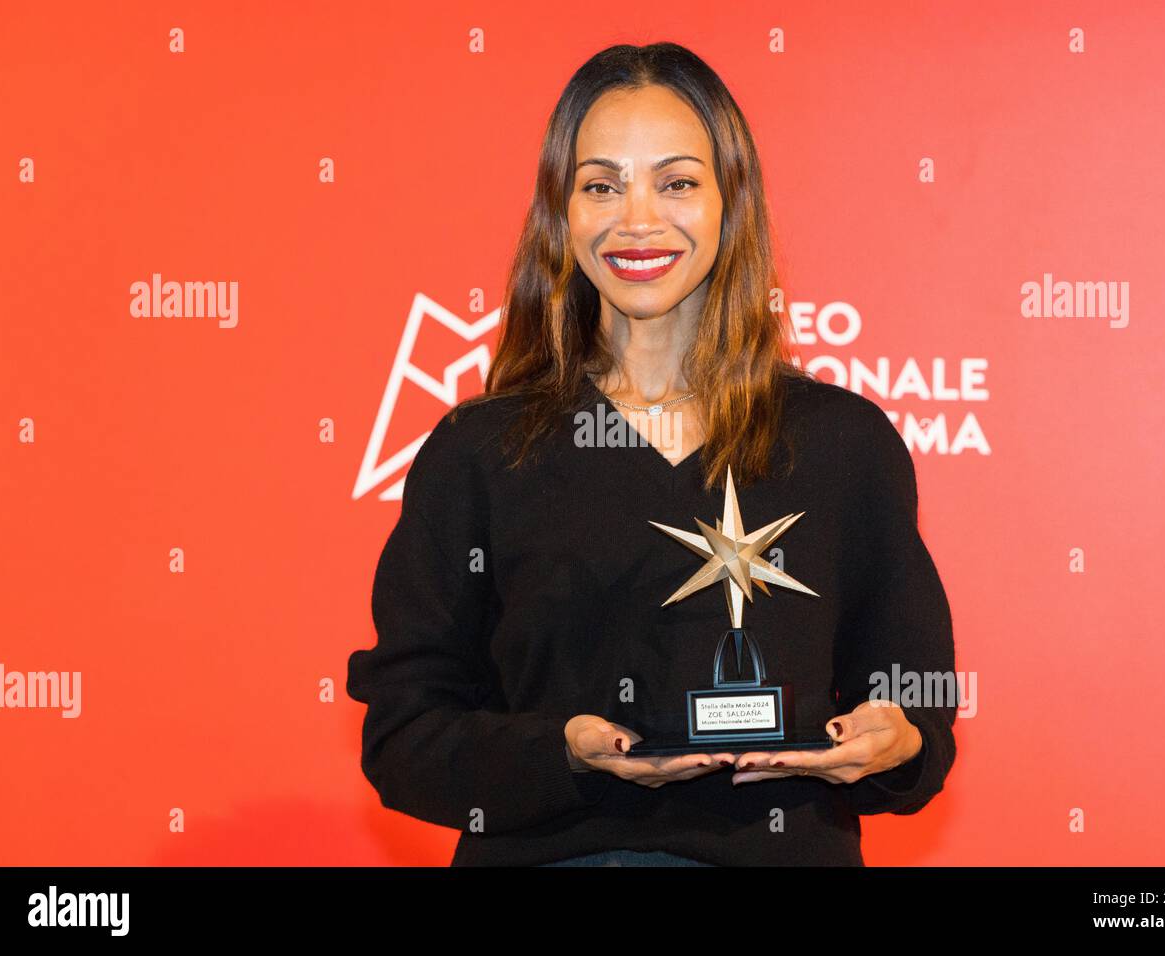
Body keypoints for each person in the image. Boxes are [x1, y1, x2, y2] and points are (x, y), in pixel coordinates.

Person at [346, 41, 957, 866]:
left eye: (676, 183)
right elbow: (404, 735)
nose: (637, 219)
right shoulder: (477, 452)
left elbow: (920, 718)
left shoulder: (846, 445)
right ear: (561, 214)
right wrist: (561, 753)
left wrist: (898, 741)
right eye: (602, 185)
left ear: (729, 202)